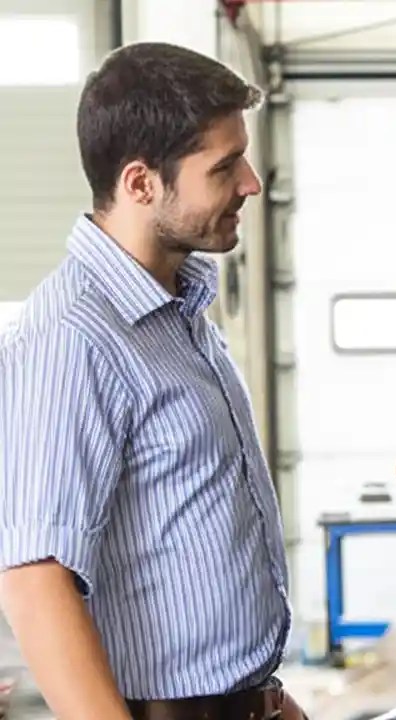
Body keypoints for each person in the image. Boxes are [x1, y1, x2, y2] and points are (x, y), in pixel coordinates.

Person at [0, 43, 306, 719]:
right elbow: (34, 582)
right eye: (224, 167)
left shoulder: (180, 310)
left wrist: (265, 699)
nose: (251, 182)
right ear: (141, 183)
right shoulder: (73, 337)